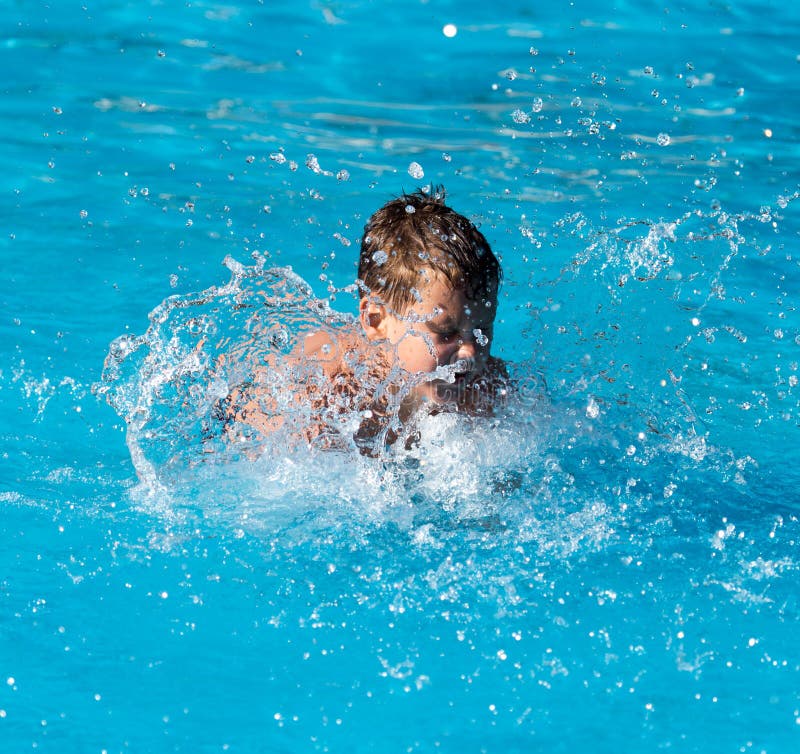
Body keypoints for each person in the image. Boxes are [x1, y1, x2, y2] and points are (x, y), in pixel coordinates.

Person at [224, 186, 508, 451]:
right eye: (446, 334)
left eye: (482, 330)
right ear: (376, 320)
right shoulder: (337, 392)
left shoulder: (486, 388)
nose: (470, 351)